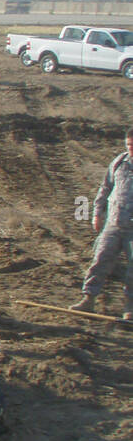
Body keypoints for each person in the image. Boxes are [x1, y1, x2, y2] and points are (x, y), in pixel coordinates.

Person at [72, 127, 133, 319]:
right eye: (130, 145)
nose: (131, 149)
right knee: (100, 260)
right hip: (113, 224)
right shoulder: (119, 163)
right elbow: (105, 189)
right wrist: (97, 214)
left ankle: (130, 307)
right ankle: (88, 299)